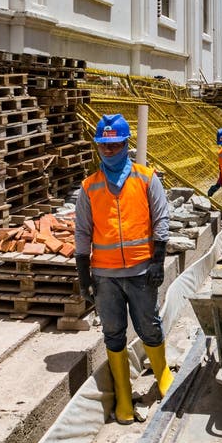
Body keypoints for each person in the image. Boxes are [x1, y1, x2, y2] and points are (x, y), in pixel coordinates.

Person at [75, 113, 173, 425]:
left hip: (142, 272)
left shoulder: (146, 179)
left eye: (115, 145)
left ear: (125, 144)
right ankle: (123, 397)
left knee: (149, 327)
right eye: (104, 146)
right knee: (113, 334)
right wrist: (83, 276)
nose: (109, 151)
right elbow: (82, 233)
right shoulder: (90, 188)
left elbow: (161, 220)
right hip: (105, 278)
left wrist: (158, 260)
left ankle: (163, 375)